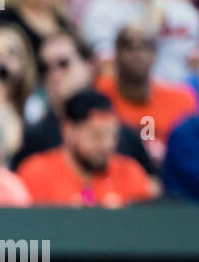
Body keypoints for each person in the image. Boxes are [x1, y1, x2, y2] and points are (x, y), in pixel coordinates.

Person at [12, 29, 155, 175]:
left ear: (89, 66)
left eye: (63, 64)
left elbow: (151, 188)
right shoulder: (33, 140)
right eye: (44, 68)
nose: (54, 74)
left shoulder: (125, 137)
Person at [16, 88, 154, 205]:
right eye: (96, 135)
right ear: (68, 131)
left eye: (112, 136)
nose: (106, 145)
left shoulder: (130, 173)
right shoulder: (36, 174)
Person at [83, 0, 199, 85]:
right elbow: (107, 70)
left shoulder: (181, 9)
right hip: (135, 93)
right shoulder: (100, 10)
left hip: (186, 91)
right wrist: (146, 29)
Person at [95, 24, 198, 165]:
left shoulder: (183, 100)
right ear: (116, 54)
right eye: (129, 46)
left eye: (146, 47)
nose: (138, 54)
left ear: (155, 54)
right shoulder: (99, 95)